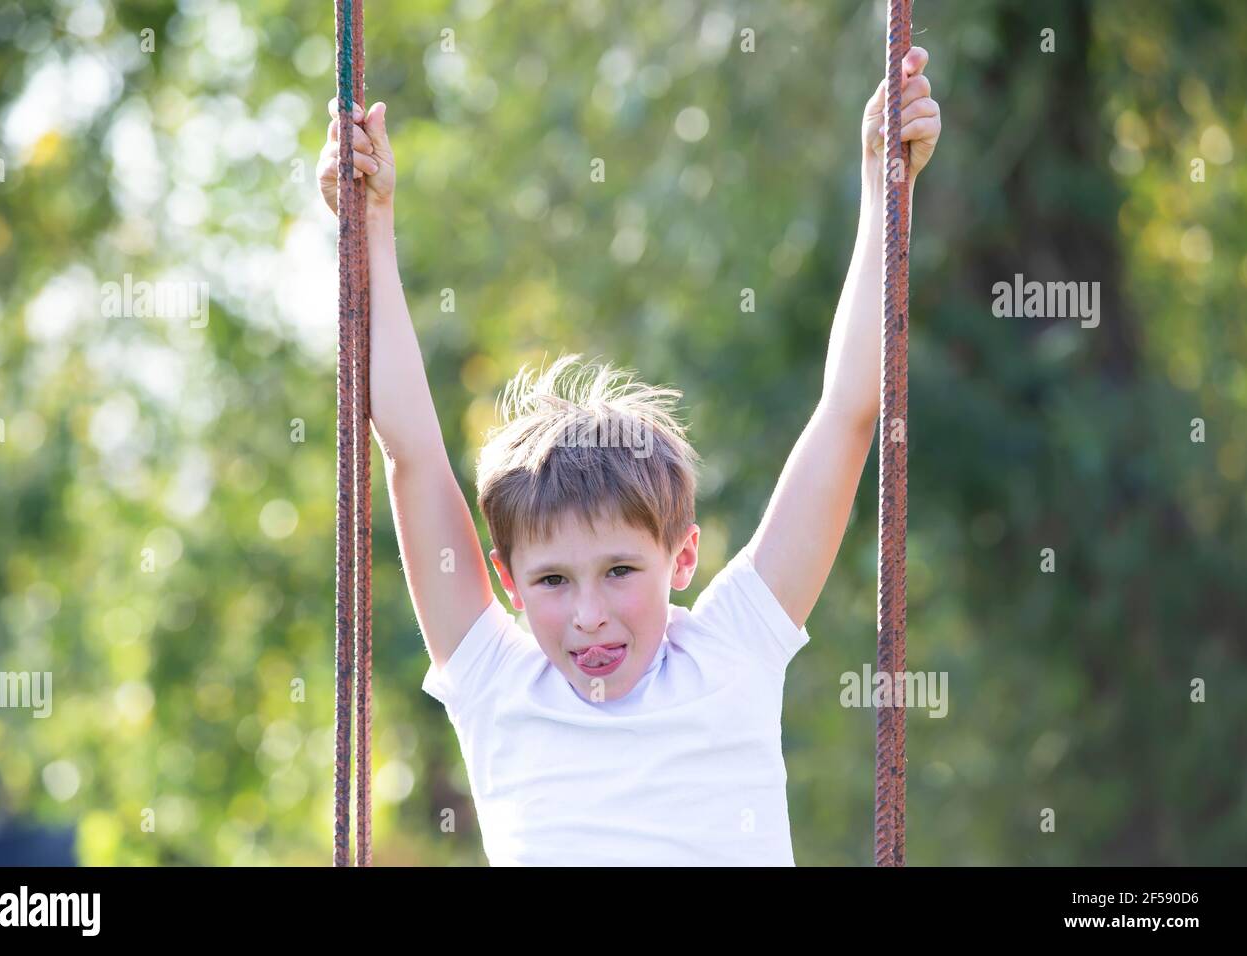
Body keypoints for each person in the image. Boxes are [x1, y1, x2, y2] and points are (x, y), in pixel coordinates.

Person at [314, 47, 940, 865]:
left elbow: (849, 413)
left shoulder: (730, 653)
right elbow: (410, 452)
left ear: (683, 556)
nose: (588, 616)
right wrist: (370, 232)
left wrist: (880, 182)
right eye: (551, 580)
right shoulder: (499, 687)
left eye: (619, 571)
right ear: (505, 579)